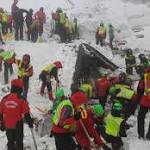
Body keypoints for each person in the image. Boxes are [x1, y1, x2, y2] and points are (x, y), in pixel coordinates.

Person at [0, 79, 33, 150]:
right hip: (18, 124)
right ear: (19, 88)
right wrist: (30, 122)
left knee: (10, 141)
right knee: (19, 141)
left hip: (7, 124)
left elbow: (0, 113)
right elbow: (26, 113)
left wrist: (1, 123)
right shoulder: (21, 99)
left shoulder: (4, 99)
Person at [137, 66, 150, 139]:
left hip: (145, 100)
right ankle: (149, 136)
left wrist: (139, 100)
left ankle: (141, 135)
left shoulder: (145, 76)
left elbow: (140, 88)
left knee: (141, 117)